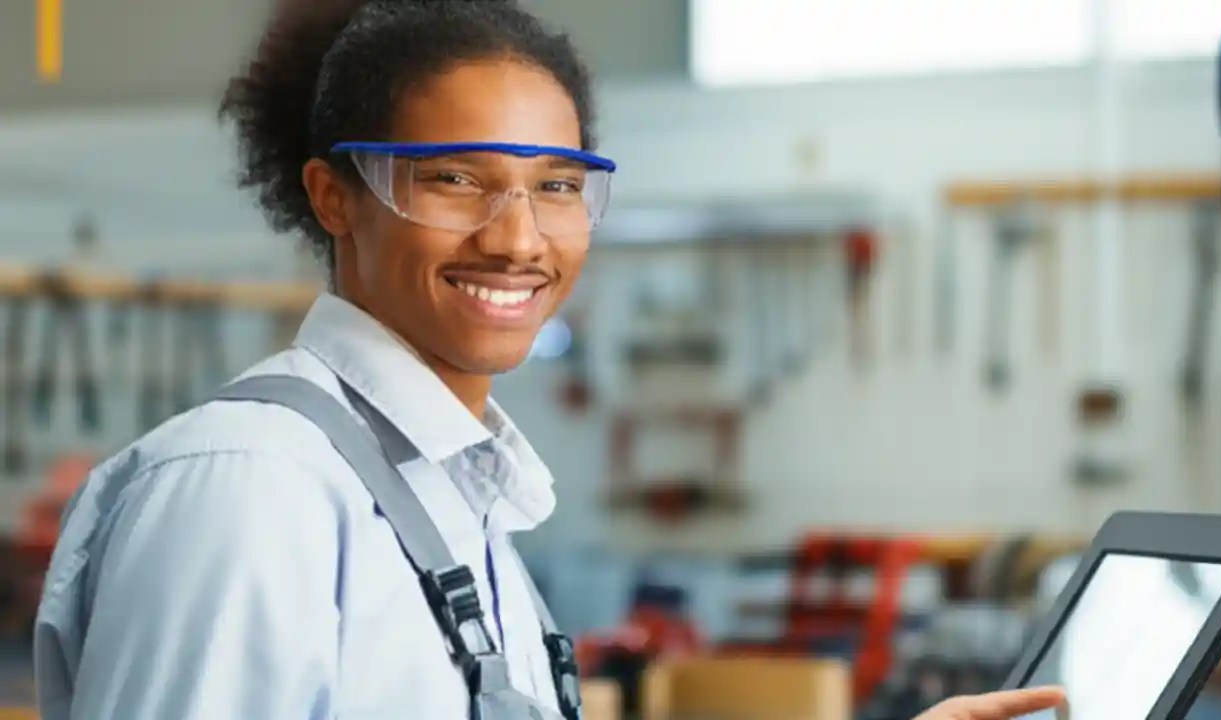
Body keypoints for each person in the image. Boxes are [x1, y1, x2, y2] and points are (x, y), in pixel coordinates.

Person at [32, 1, 1067, 718]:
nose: (519, 239)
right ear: (332, 195)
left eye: (557, 188)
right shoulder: (254, 488)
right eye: (453, 180)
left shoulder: (455, 501)